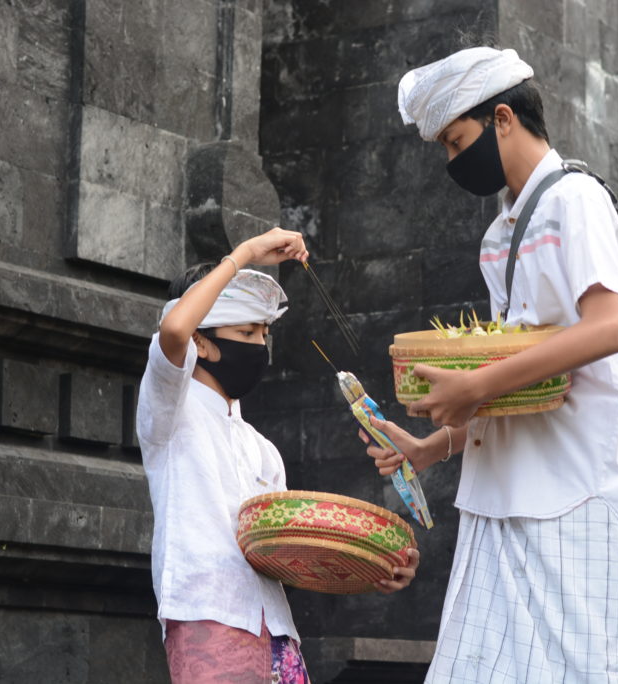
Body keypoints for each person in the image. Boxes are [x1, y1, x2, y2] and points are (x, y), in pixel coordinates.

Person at [361, 47, 618, 683]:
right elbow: (522, 387)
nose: (451, 161)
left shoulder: (577, 200)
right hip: (502, 494)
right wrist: (431, 446)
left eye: (455, 141)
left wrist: (476, 384)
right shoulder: (502, 233)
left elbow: (607, 328)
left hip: (577, 490)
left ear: (501, 119)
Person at [138, 226, 419, 684]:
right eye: (246, 331)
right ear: (202, 342)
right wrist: (246, 253)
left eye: (263, 333)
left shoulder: (261, 447)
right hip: (209, 618)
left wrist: (372, 566)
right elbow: (173, 328)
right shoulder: (169, 412)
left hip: (279, 631)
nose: (258, 346)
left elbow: (289, 552)